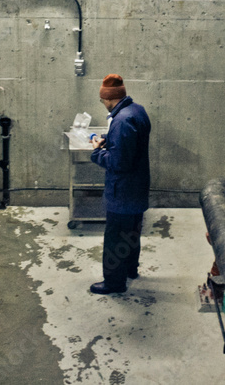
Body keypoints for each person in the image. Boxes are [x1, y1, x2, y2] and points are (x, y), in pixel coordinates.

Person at [89, 74, 151, 294]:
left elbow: (119, 163)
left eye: (102, 100)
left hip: (123, 190)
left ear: (109, 98)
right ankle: (130, 269)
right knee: (131, 232)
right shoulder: (137, 111)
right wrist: (109, 140)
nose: (103, 104)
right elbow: (130, 144)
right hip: (138, 185)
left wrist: (97, 152)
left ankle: (114, 283)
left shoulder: (122, 120)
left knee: (115, 237)